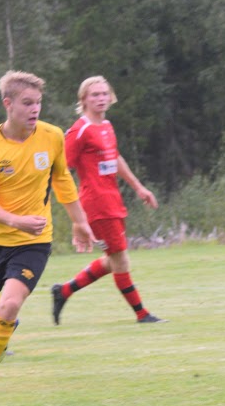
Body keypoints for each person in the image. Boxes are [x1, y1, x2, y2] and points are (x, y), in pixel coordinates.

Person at [0, 71, 94, 395]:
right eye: (27, 103)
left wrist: (79, 221)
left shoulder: (51, 136)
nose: (35, 109)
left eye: (38, 103)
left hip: (34, 242)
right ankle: (4, 330)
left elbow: (62, 179)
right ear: (8, 104)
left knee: (8, 305)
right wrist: (14, 220)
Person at [50, 76, 164, 325]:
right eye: (95, 95)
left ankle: (64, 291)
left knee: (113, 259)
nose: (101, 98)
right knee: (121, 259)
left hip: (113, 201)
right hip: (96, 204)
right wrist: (75, 217)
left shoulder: (107, 126)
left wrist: (138, 187)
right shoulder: (79, 130)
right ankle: (142, 314)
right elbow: (61, 170)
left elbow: (116, 158)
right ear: (84, 99)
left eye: (104, 94)